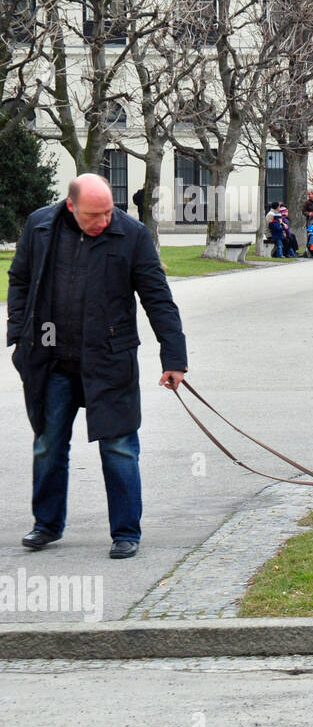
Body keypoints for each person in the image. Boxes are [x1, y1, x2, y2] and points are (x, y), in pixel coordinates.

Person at [6, 174, 188, 560]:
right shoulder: (40, 226)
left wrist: (174, 358)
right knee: (48, 444)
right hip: (51, 357)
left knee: (119, 446)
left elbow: (158, 298)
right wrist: (18, 336)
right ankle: (47, 525)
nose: (104, 221)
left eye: (108, 211)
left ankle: (125, 532)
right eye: (94, 215)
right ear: (70, 207)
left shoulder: (132, 234)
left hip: (109, 358)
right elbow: (19, 280)